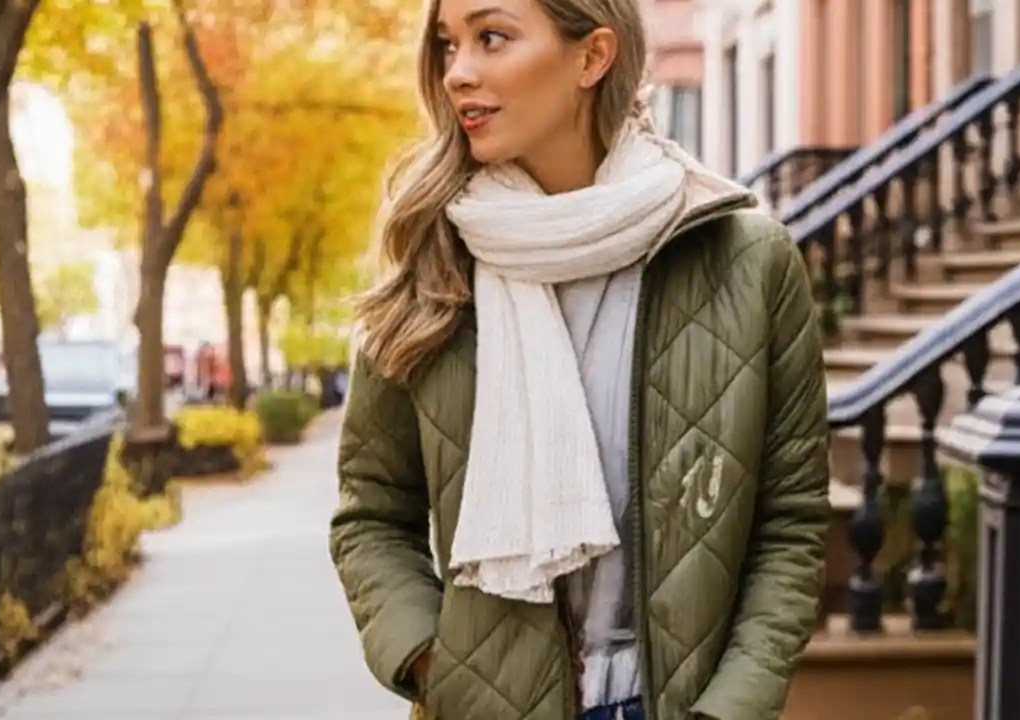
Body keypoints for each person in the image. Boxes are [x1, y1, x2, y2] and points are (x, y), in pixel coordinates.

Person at [327, 0, 830, 714]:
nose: (457, 74)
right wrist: (440, 667)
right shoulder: (435, 261)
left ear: (592, 57)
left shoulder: (746, 260)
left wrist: (732, 708)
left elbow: (790, 523)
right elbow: (372, 515)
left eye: (491, 38)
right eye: (448, 45)